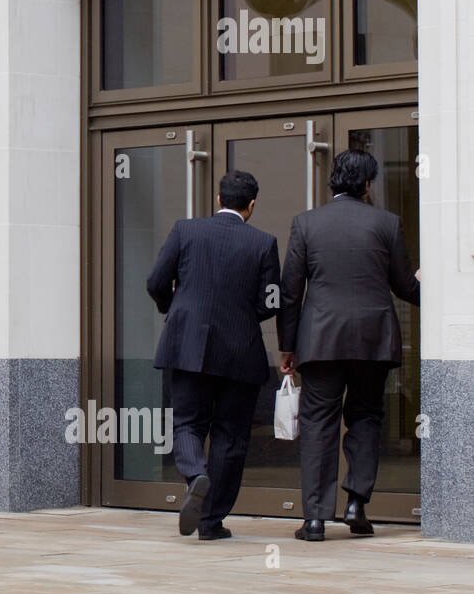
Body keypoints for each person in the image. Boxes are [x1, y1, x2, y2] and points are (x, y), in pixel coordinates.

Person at [278, 149, 420, 542]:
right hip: (373, 339)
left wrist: (287, 347)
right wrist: (431, 280)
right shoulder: (387, 223)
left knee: (318, 424)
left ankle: (315, 519)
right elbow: (405, 286)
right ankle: (357, 502)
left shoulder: (306, 223)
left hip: (320, 340)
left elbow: (290, 292)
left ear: (333, 181)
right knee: (367, 417)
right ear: (368, 183)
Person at [147, 170, 281, 540]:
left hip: (187, 345)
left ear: (218, 200)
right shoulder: (264, 242)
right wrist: (241, 314)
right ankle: (211, 522)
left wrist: (175, 309)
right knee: (231, 436)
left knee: (188, 422)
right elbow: (270, 301)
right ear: (251, 206)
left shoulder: (184, 231)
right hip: (241, 351)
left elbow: (155, 281)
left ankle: (195, 474)